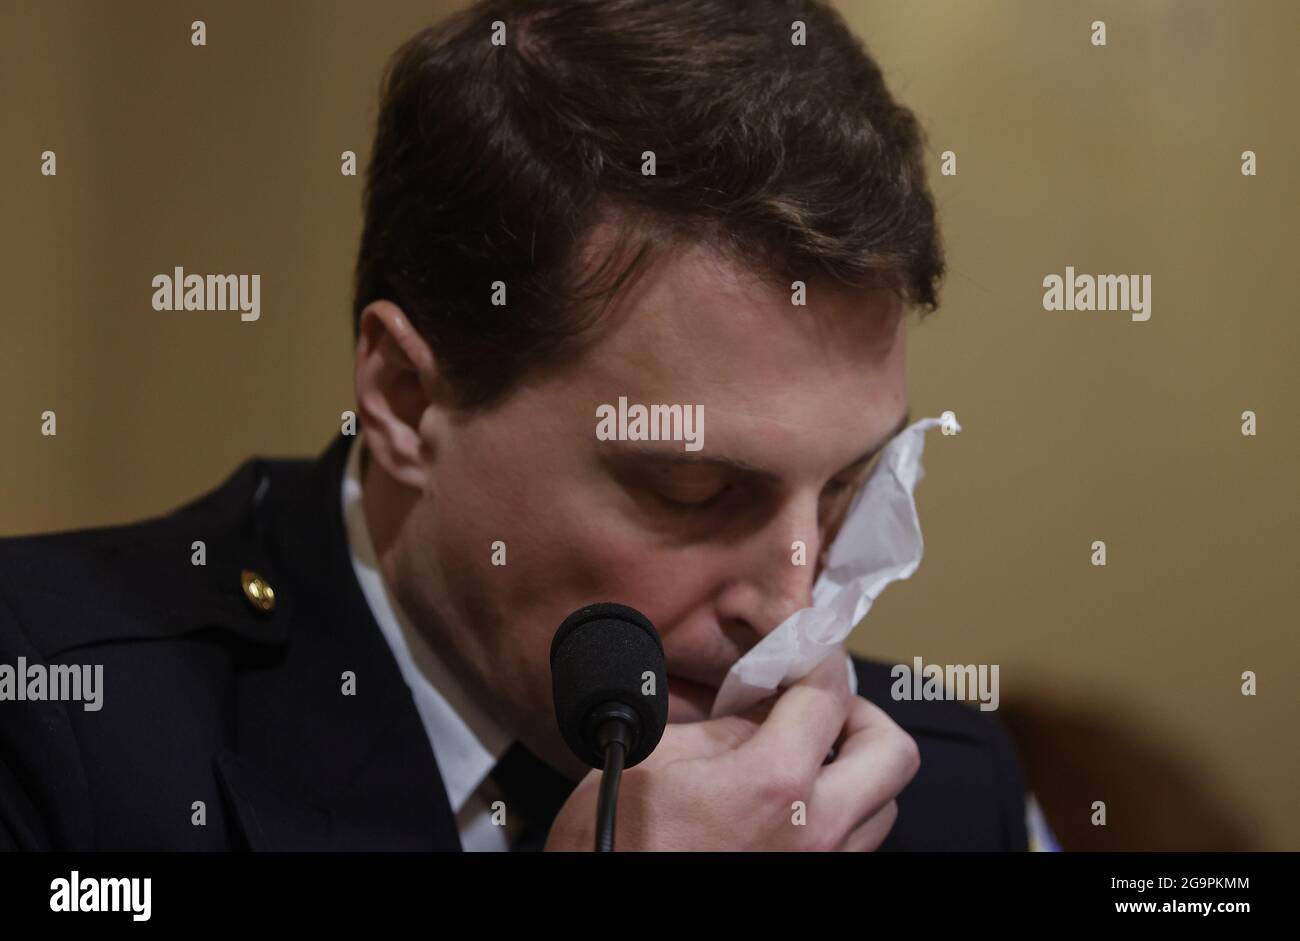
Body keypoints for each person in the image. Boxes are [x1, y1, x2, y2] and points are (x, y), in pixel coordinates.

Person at [0, 0, 1027, 851]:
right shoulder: (55, 718)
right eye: (693, 488)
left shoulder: (926, 792)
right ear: (405, 397)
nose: (795, 603)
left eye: (850, 484)